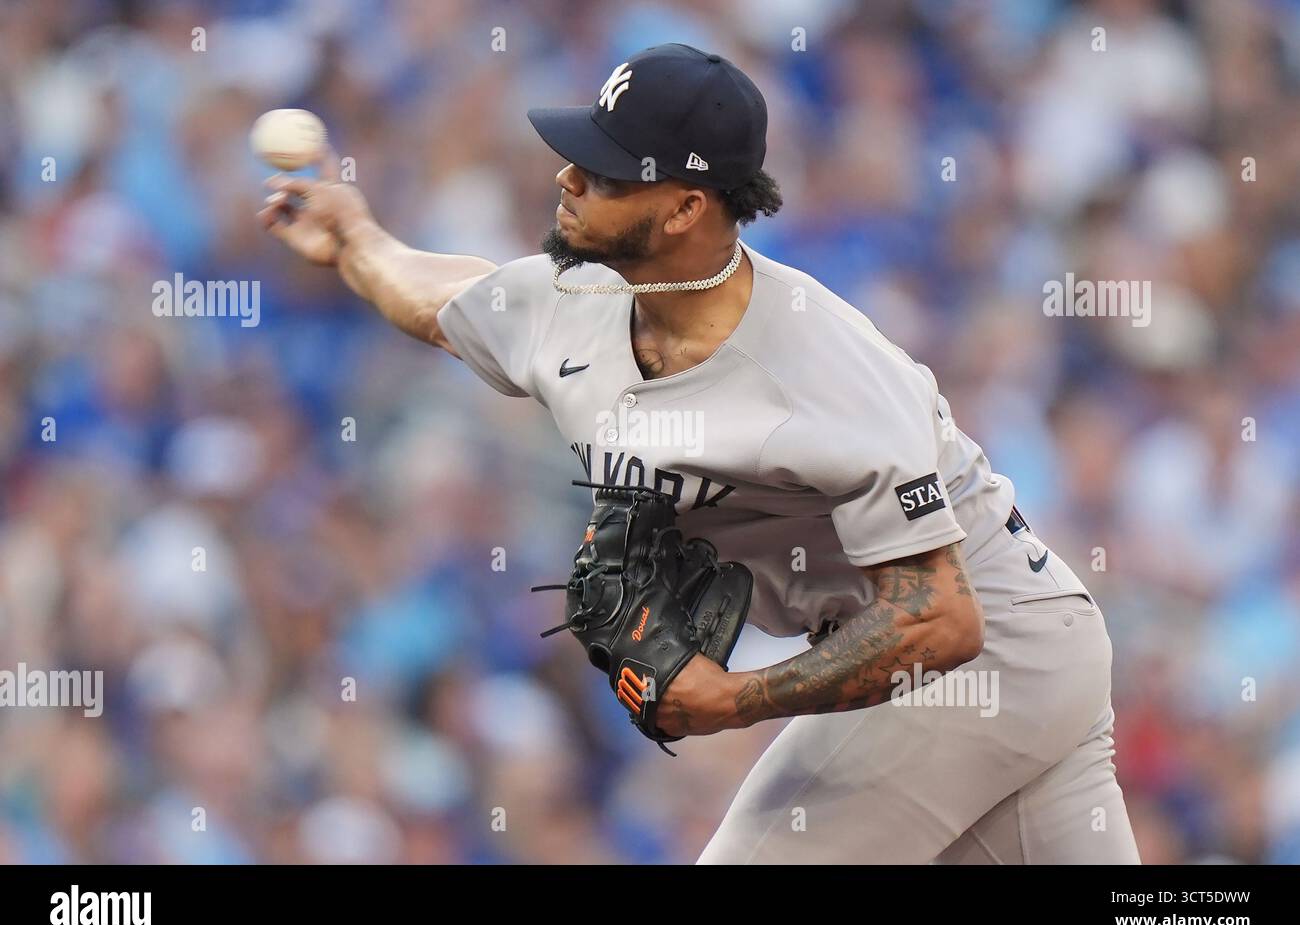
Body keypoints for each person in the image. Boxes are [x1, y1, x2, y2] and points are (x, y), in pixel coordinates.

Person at [259, 43, 1140, 864]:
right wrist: (354, 237)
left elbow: (942, 618)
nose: (567, 177)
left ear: (685, 207)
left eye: (602, 170)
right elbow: (443, 298)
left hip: (987, 651)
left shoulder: (824, 369)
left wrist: (741, 699)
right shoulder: (579, 301)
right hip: (1028, 651)